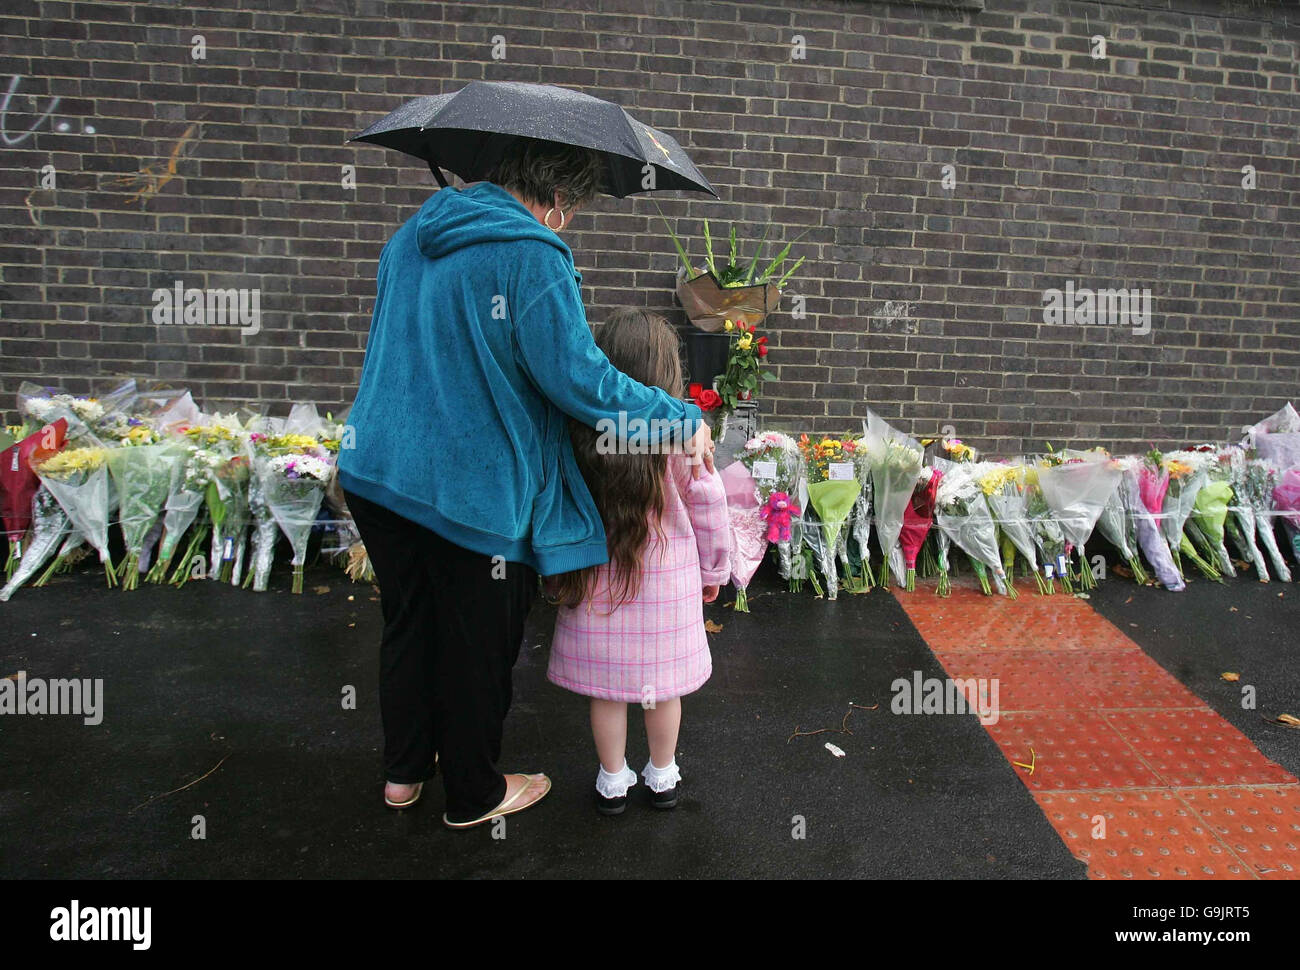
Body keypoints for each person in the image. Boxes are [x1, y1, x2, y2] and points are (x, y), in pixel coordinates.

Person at [338, 139, 715, 829]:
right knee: (476, 648)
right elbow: (580, 380)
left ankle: (404, 774)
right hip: (469, 492)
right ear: (561, 201)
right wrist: (678, 417)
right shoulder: (533, 254)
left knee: (409, 626)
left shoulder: (410, 237)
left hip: (377, 470)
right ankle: (476, 794)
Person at [547, 308, 730, 815]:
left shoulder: (583, 430)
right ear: (667, 371)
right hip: (667, 585)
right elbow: (709, 503)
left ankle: (612, 781)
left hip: (595, 578)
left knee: (606, 693)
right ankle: (662, 777)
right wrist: (714, 571)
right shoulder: (682, 434)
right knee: (661, 690)